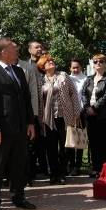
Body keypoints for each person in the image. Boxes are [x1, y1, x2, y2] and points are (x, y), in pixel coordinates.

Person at [0, 38, 36, 210]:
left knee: (19, 164)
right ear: (4, 52)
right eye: (14, 48)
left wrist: (30, 122)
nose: (17, 50)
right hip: (2, 129)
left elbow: (26, 99)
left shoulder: (18, 71)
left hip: (20, 127)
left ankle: (18, 197)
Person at [36, 54, 81, 184]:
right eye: (47, 62)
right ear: (42, 67)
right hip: (48, 120)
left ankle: (61, 173)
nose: (51, 62)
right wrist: (39, 119)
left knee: (65, 147)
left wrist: (76, 112)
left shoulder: (63, 76)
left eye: (52, 61)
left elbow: (74, 94)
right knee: (50, 148)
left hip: (64, 117)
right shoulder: (41, 81)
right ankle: (53, 173)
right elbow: (40, 102)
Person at [80, 53, 106, 178]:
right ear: (92, 64)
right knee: (93, 142)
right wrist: (87, 107)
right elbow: (83, 94)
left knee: (102, 141)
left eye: (101, 61)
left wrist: (94, 108)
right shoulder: (88, 79)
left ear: (105, 64)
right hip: (90, 116)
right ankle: (95, 168)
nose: (98, 63)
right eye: (95, 61)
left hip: (103, 116)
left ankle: (105, 167)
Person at [18, 40, 47, 182]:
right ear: (29, 50)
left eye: (41, 46)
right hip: (32, 109)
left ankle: (45, 168)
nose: (39, 49)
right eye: (36, 47)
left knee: (44, 142)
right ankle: (30, 173)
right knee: (31, 143)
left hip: (46, 108)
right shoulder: (25, 66)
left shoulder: (47, 62)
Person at [67, 58, 88, 175]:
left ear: (81, 68)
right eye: (73, 67)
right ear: (70, 68)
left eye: (77, 67)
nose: (75, 69)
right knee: (70, 139)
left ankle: (78, 166)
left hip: (81, 113)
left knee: (80, 139)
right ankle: (70, 164)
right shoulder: (67, 79)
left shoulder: (86, 79)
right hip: (69, 113)